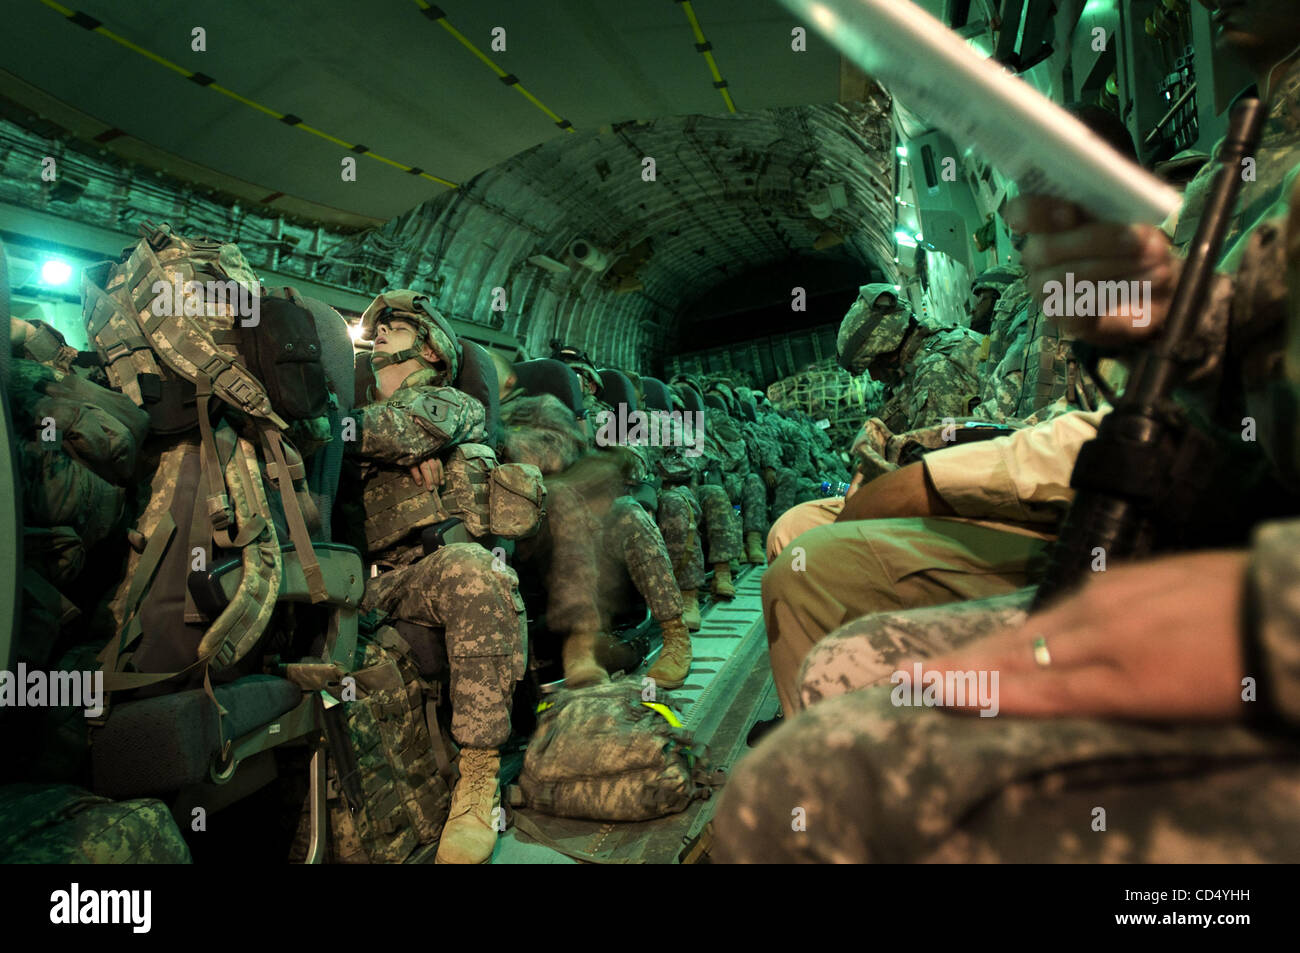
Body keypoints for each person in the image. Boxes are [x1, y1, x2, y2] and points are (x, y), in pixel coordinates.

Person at [714, 1, 1300, 862]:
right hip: (1170, 518)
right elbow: (1110, 402)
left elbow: (1143, 417)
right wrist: (937, 448)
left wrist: (935, 475)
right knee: (809, 548)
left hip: (1203, 549)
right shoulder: (1239, 168)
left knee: (823, 585)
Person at [343, 290, 526, 865]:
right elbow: (371, 433)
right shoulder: (347, 411)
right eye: (379, 329)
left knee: (475, 570)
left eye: (394, 327)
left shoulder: (455, 404)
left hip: (431, 570)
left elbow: (395, 431)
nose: (380, 336)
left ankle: (477, 779)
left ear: (430, 348)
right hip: (365, 580)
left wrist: (392, 441)